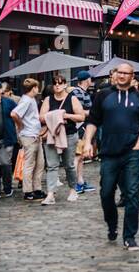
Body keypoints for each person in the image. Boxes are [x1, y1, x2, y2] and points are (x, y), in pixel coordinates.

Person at [83, 63, 139, 248]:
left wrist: (138, 146)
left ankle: (129, 236)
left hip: (131, 153)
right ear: (115, 75)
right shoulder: (103, 95)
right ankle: (112, 225)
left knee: (132, 194)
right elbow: (92, 120)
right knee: (106, 193)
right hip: (109, 153)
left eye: (126, 73)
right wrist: (88, 142)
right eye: (119, 72)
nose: (122, 76)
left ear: (132, 76)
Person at [40, 73, 85, 206]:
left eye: (60, 83)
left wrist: (65, 115)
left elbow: (81, 117)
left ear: (65, 84)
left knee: (69, 165)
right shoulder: (48, 100)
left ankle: (73, 190)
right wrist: (55, 115)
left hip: (69, 135)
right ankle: (50, 194)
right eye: (55, 83)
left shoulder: (72, 99)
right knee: (52, 165)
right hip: (52, 135)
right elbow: (41, 117)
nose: (57, 85)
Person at [11, 78, 44, 201]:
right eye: (37, 87)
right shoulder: (25, 100)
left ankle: (37, 189)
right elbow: (14, 114)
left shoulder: (32, 99)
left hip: (35, 135)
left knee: (40, 164)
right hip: (28, 136)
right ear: (34, 88)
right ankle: (28, 191)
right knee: (29, 165)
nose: (38, 89)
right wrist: (20, 125)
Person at [69, 71, 95, 193]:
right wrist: (93, 113)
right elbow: (77, 111)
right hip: (79, 127)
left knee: (80, 157)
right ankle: (75, 184)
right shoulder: (77, 92)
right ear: (86, 80)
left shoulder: (82, 92)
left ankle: (80, 181)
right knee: (77, 156)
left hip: (83, 127)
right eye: (90, 79)